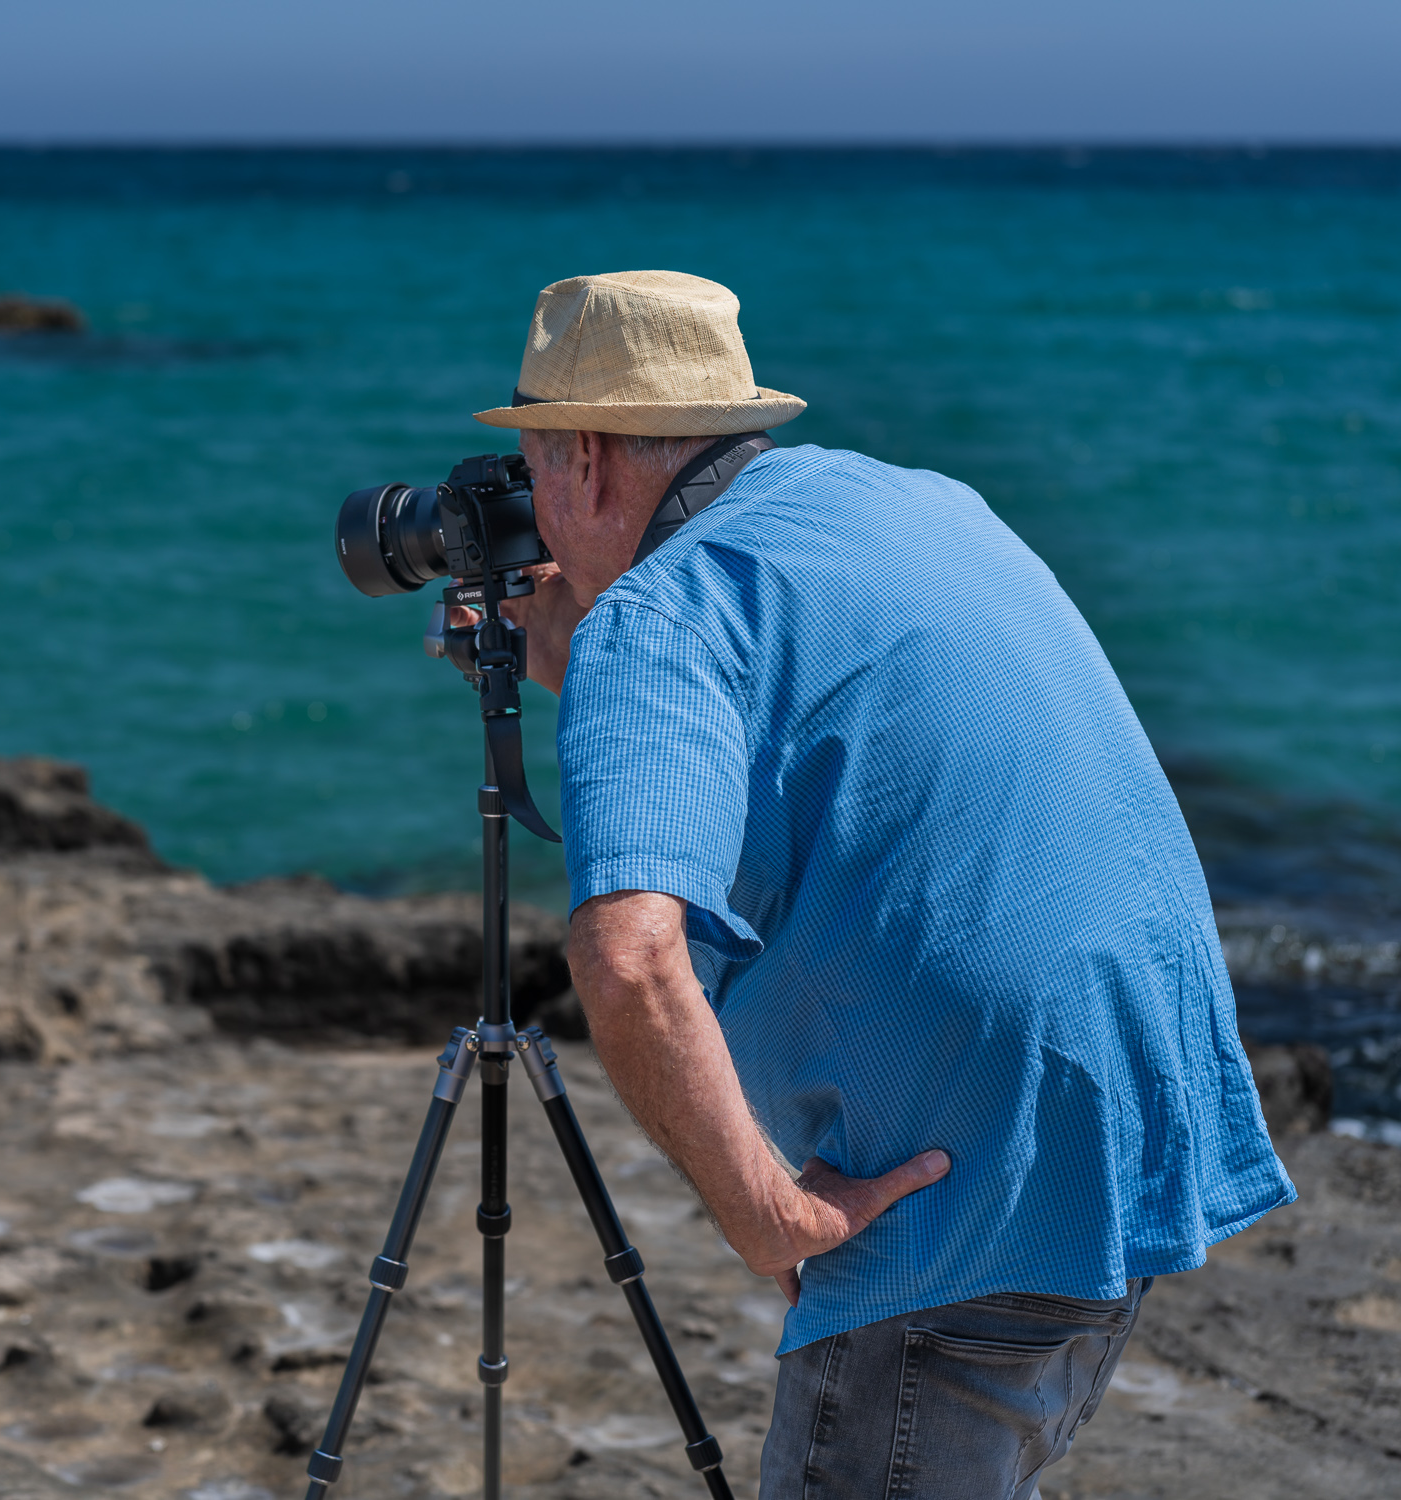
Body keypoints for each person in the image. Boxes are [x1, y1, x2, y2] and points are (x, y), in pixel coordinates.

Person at [469, 271, 1294, 1498]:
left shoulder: (656, 619)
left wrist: (763, 1217)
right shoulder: (911, 502)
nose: (532, 508)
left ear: (584, 459)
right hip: (1130, 1142)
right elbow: (811, 714)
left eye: (531, 468)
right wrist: (588, 643)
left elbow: (629, 960)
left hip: (952, 1211)